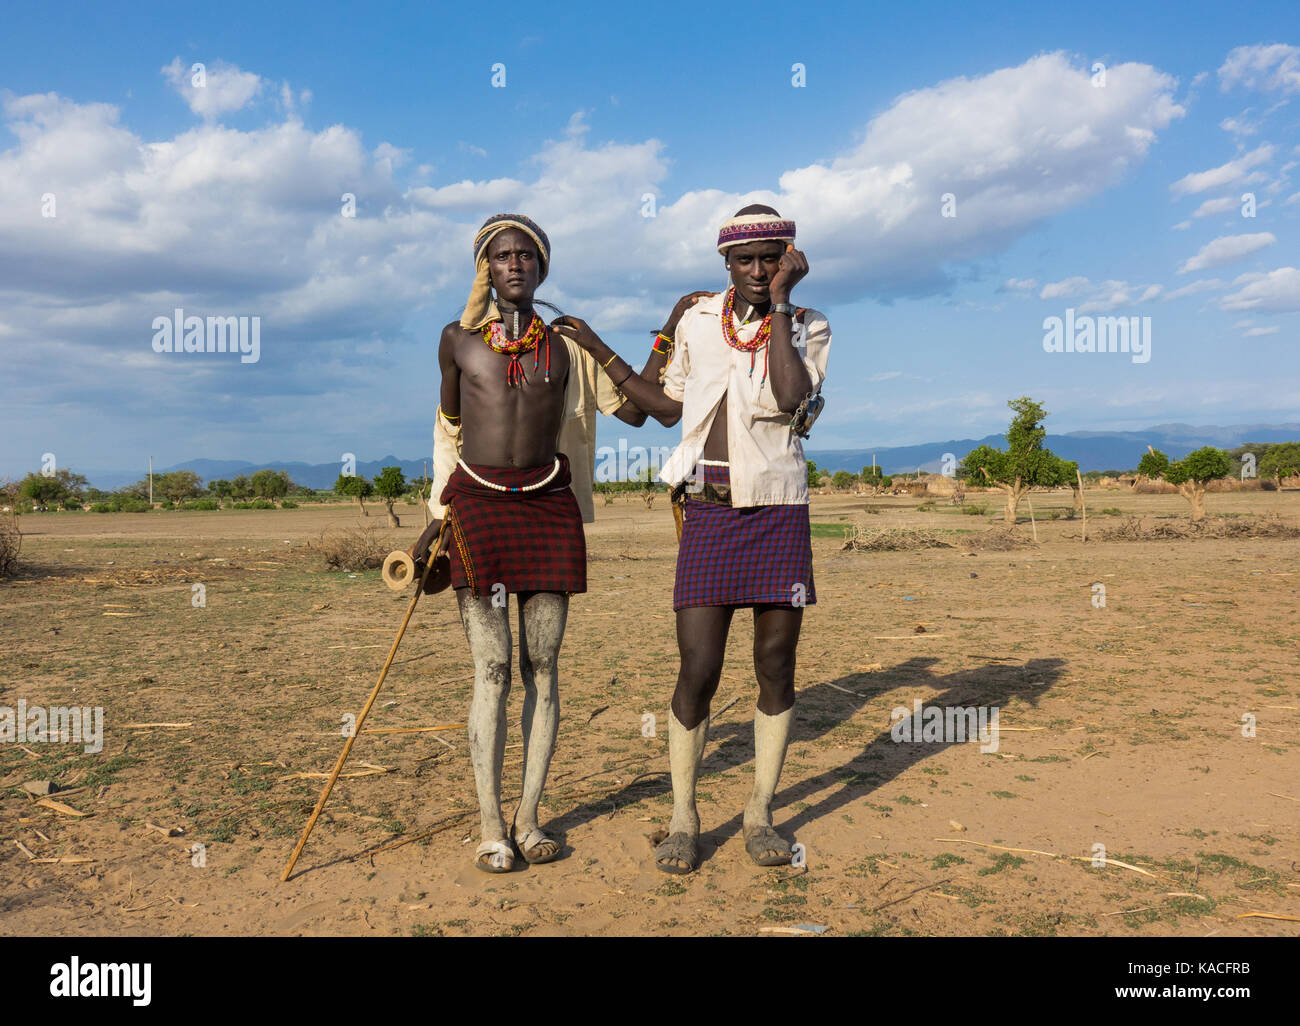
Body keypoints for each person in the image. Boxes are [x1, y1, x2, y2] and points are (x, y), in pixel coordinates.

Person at [552, 205, 831, 874]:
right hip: (707, 511)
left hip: (779, 510)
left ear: (789, 259)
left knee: (775, 666)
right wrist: (595, 345)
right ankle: (684, 816)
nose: (759, 271)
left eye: (772, 258)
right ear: (725, 264)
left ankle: (760, 811)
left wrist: (786, 307)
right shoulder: (698, 322)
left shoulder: (810, 324)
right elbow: (668, 407)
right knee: (698, 670)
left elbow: (793, 398)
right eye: (746, 260)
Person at [409, 213, 639, 873]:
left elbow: (641, 407)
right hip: (477, 508)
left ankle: (531, 819)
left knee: (544, 668)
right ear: (487, 267)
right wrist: (435, 517)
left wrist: (626, 341)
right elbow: (447, 432)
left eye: (525, 256)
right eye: (502, 256)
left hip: (549, 507)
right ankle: (489, 826)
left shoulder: (564, 348)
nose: (514, 265)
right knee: (492, 669)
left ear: (541, 269)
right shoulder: (457, 341)